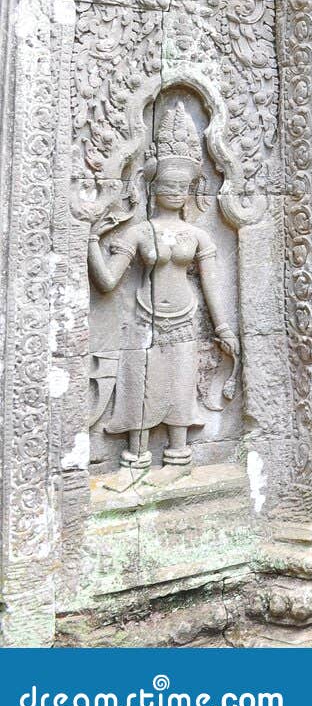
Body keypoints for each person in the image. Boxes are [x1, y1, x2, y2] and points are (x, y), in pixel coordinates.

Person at [88, 105, 238, 468]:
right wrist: (92, 241)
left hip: (185, 320)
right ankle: (136, 454)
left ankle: (179, 452)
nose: (175, 192)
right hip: (144, 318)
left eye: (183, 187)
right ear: (153, 187)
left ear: (191, 190)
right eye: (168, 185)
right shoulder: (138, 232)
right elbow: (108, 282)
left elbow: (213, 285)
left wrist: (223, 329)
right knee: (140, 384)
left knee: (180, 385)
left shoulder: (198, 235)